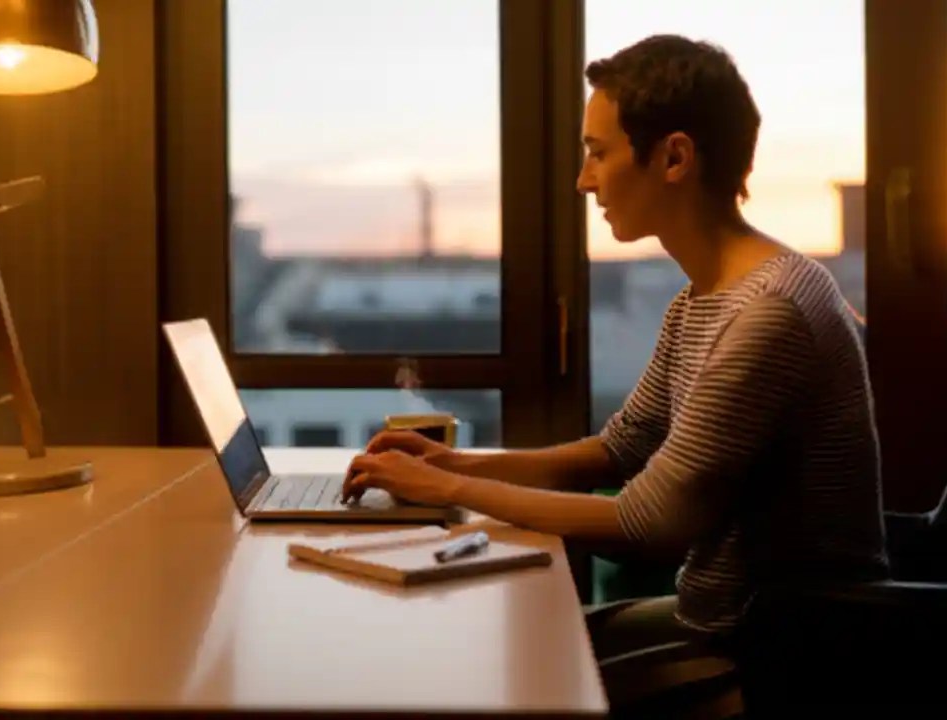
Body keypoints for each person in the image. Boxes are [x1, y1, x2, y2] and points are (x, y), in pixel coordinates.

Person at [344, 34, 889, 715]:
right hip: (726, 621)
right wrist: (460, 463)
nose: (583, 180)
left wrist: (447, 486)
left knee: (500, 686)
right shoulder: (700, 300)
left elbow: (647, 524)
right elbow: (619, 450)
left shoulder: (769, 315)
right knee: (507, 651)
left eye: (597, 152)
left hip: (786, 658)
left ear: (675, 157)